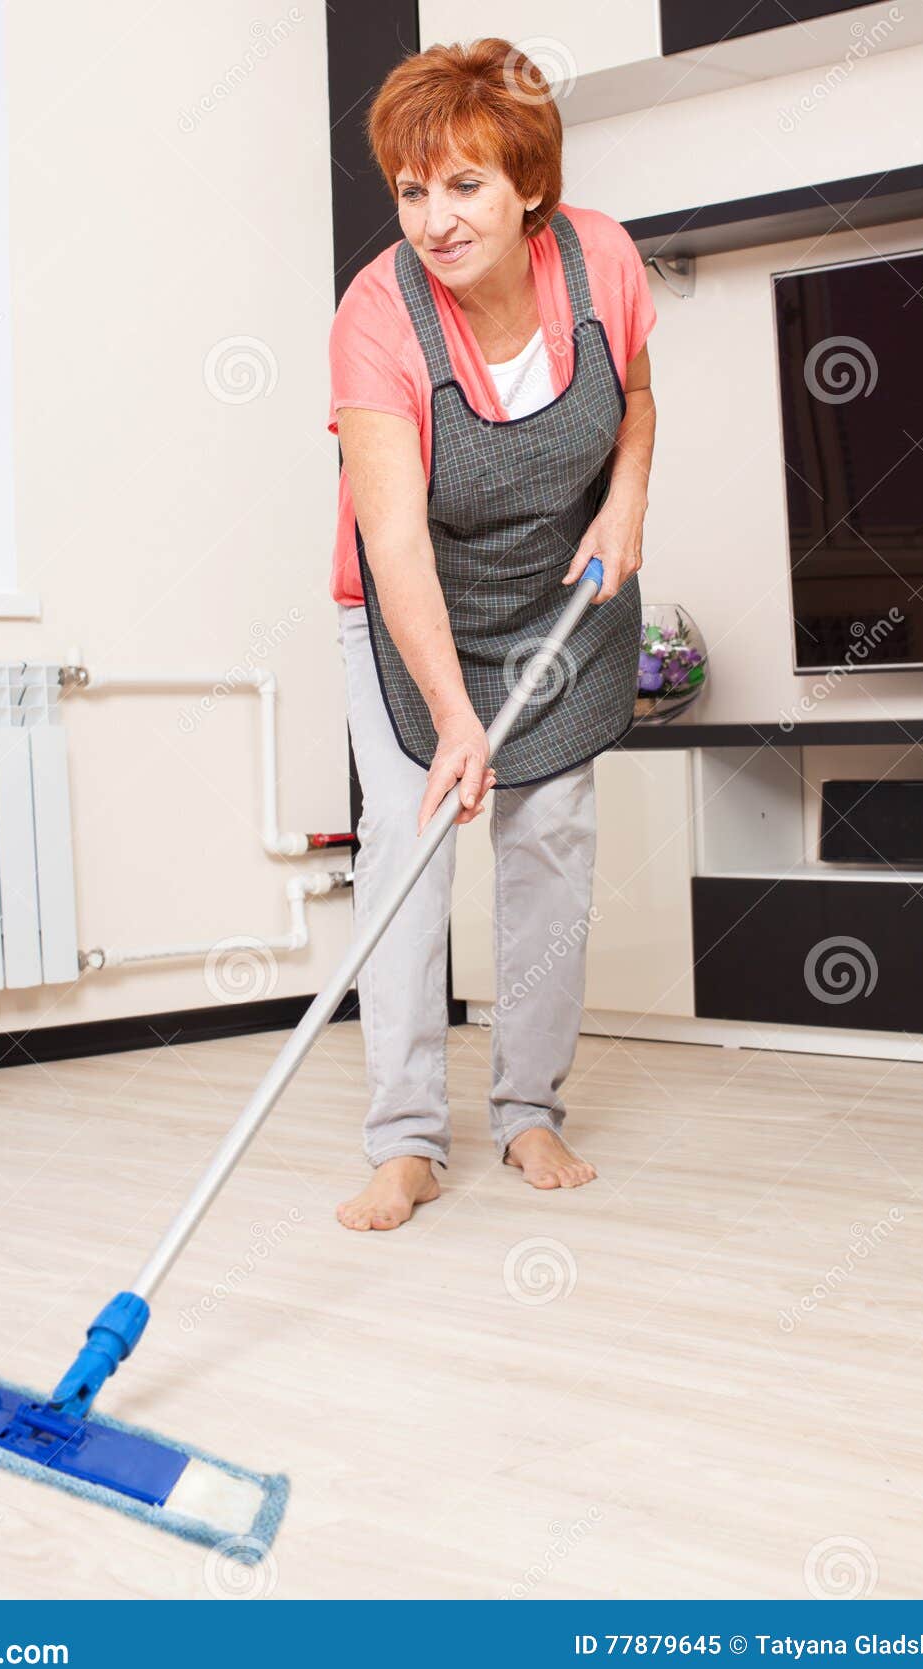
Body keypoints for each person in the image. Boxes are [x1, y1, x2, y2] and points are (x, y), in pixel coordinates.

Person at [328, 38, 657, 1232]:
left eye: (462, 184)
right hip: (412, 610)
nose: (431, 218)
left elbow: (634, 401)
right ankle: (405, 1141)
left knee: (548, 849)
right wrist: (455, 718)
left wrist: (625, 502)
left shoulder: (602, 259)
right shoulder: (377, 316)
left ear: (526, 183)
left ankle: (527, 1111)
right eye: (412, 190)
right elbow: (394, 541)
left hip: (557, 601)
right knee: (406, 865)